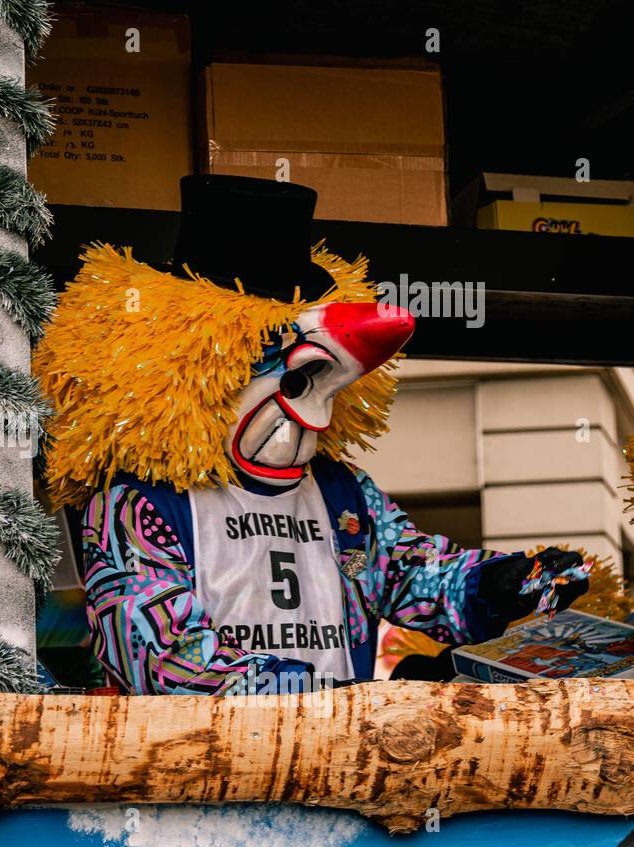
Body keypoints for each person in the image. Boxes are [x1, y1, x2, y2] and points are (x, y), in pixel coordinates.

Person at [34, 175, 588, 695]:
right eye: (283, 373)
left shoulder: (343, 492)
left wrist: (501, 583)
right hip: (201, 780)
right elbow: (161, 656)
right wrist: (322, 699)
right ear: (189, 376)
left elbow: (413, 574)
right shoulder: (143, 503)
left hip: (337, 769)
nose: (308, 413)